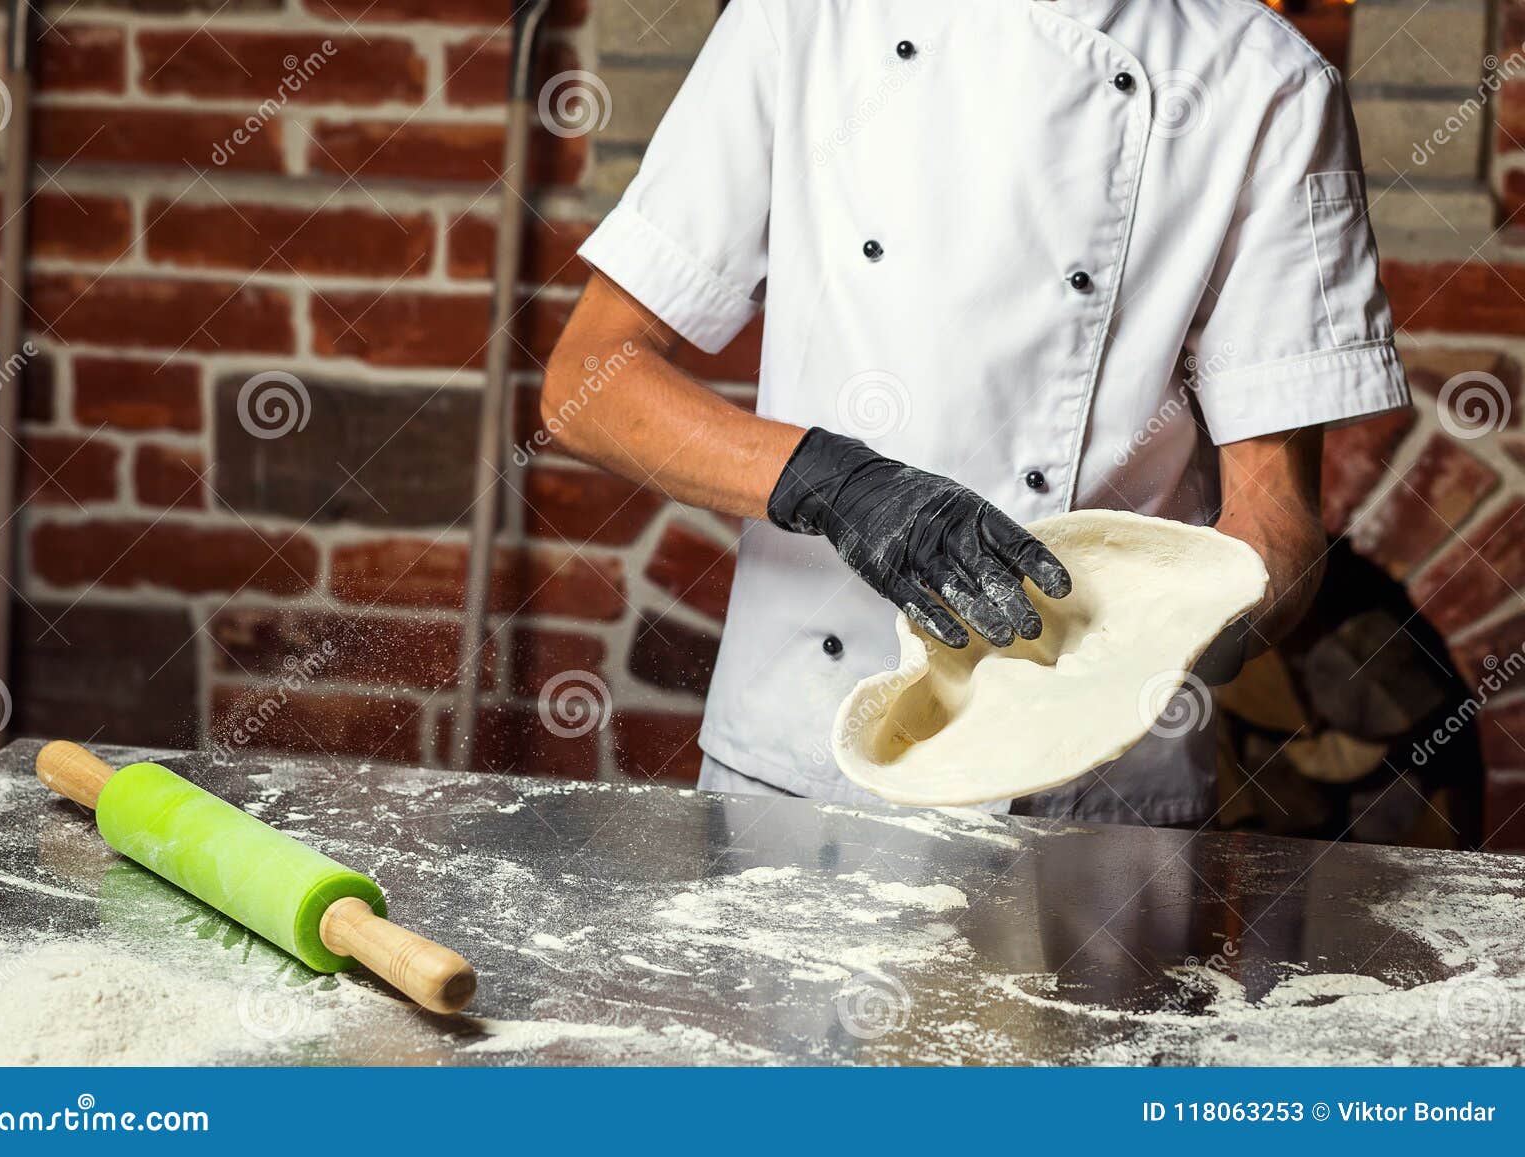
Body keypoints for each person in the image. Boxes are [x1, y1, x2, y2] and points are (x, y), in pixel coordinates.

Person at [543, 0, 1410, 825]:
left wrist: (1198, 623)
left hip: (1097, 802)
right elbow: (591, 384)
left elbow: (1278, 515)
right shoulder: (800, 19)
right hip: (801, 761)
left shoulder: (1267, 82)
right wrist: (836, 484)